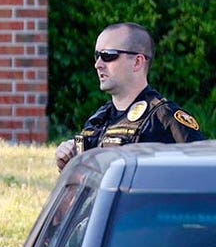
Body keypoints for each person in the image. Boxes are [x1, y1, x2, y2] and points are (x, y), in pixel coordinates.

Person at [55, 22, 204, 170]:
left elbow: (203, 175)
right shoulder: (99, 120)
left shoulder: (165, 119)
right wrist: (67, 165)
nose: (98, 64)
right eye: (97, 56)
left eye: (108, 55)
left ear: (137, 62)